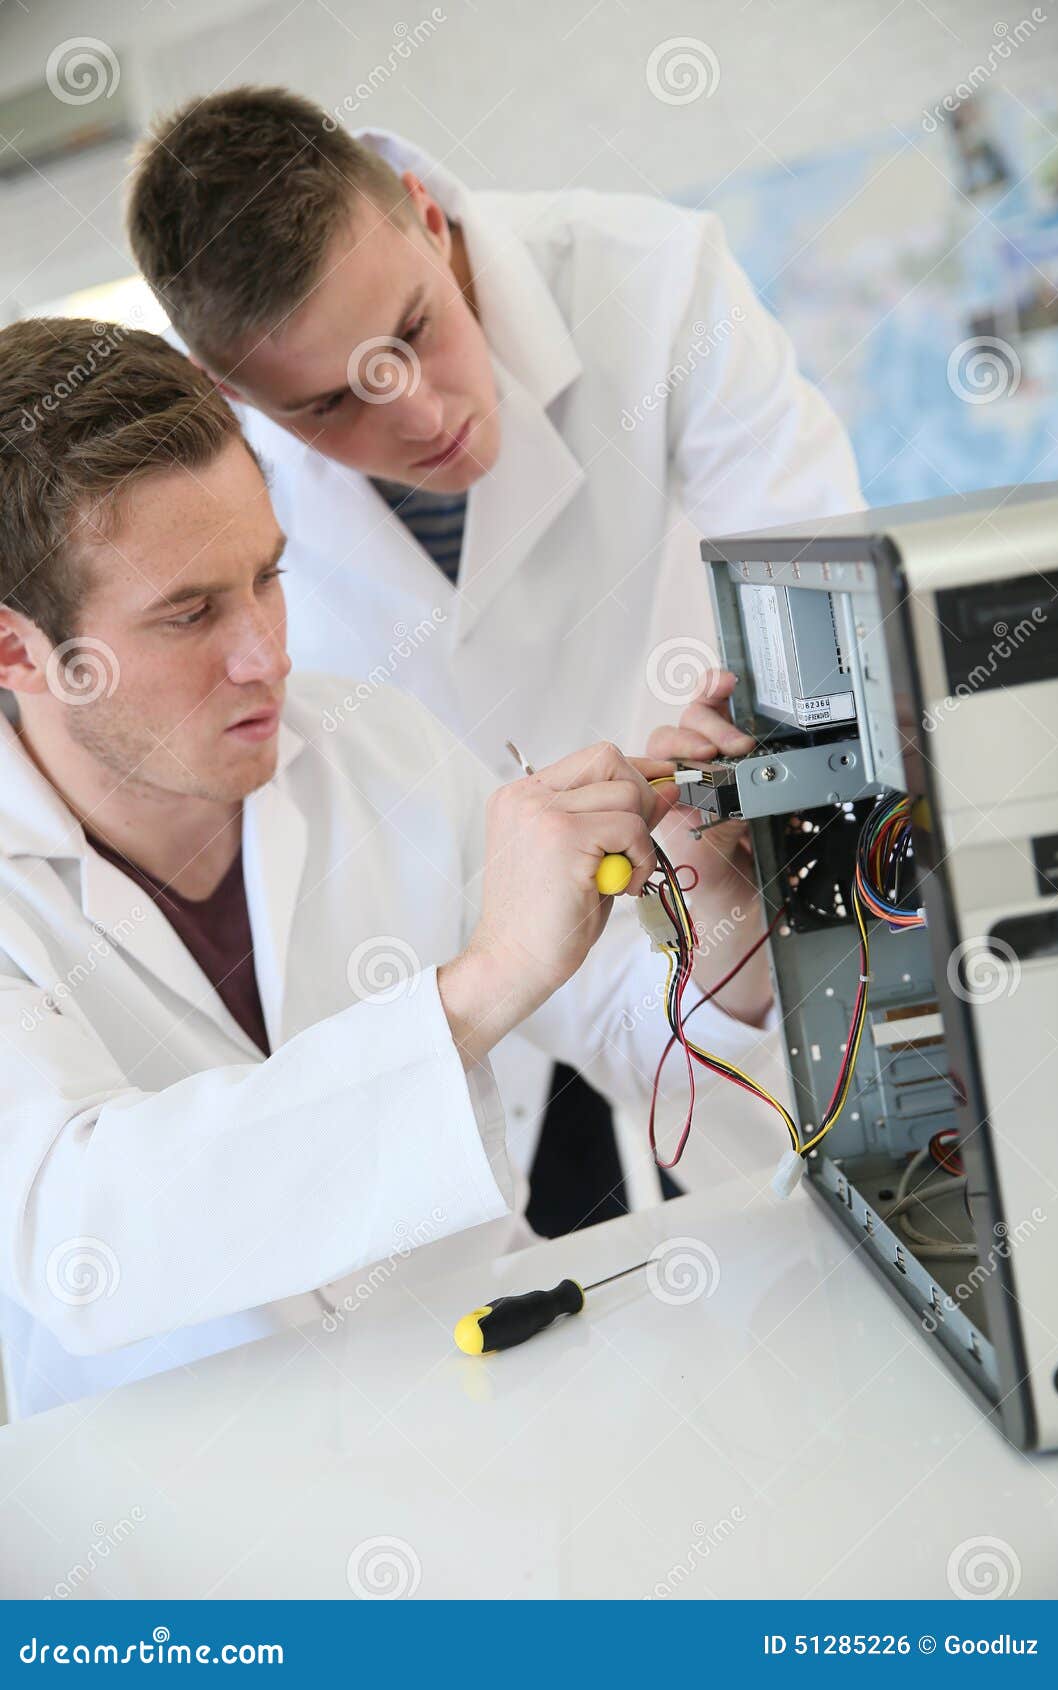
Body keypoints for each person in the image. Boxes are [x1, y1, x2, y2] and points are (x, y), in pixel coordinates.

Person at [124, 88, 865, 1229]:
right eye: (328, 404)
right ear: (238, 393)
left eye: (415, 331)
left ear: (425, 215)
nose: (419, 418)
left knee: (805, 1230)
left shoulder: (648, 280)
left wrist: (750, 774)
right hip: (460, 981)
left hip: (726, 888)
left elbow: (821, 603)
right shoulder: (218, 493)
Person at [0, 320, 770, 1417]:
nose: (267, 653)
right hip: (175, 1489)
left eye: (266, 576)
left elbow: (628, 1028)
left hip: (488, 1412)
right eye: (190, 613)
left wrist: (719, 912)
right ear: (19, 651)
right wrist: (481, 985)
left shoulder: (372, 746)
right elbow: (84, 1232)